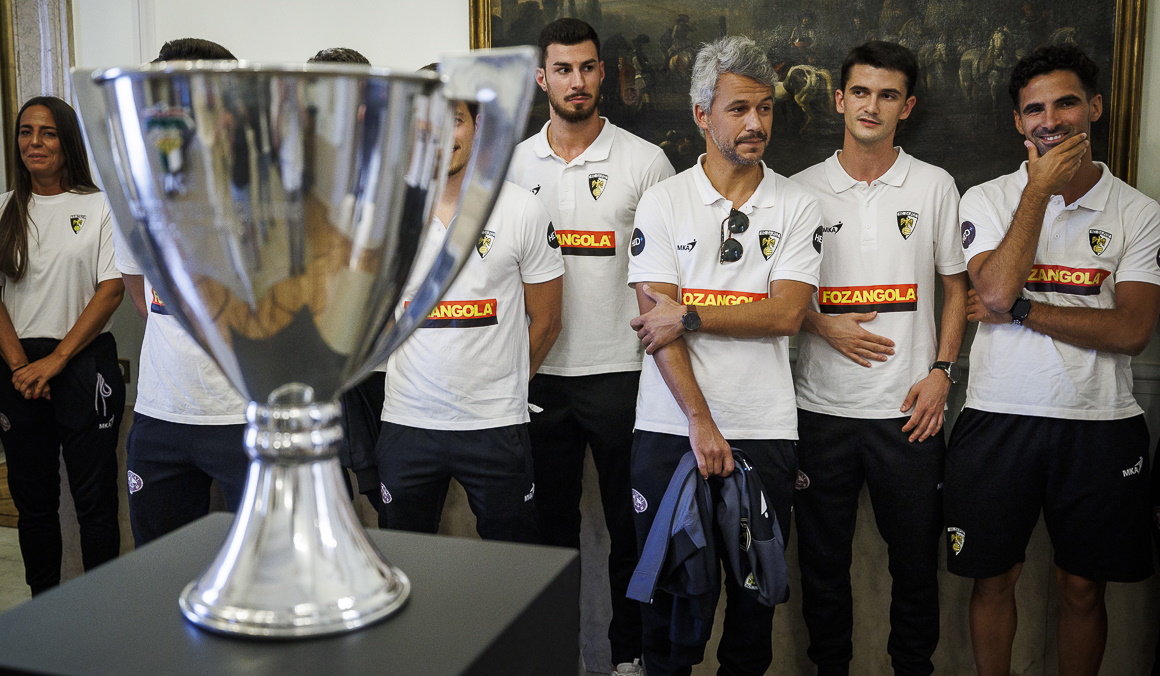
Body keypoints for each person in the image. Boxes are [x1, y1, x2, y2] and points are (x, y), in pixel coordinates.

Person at [946, 44, 1160, 676]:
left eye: (1066, 103)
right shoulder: (986, 198)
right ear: (1019, 121)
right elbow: (991, 290)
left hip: (1100, 422)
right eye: (1035, 109)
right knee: (993, 579)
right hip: (998, 416)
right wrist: (1037, 191)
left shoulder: (1139, 212)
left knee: (1083, 587)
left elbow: (1132, 331)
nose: (1051, 120)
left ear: (1094, 108)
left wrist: (1023, 311)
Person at [626, 36, 822, 675]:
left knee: (752, 615)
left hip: (764, 430)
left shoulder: (798, 204)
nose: (756, 123)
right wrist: (700, 421)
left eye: (764, 108)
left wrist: (689, 314)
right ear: (701, 115)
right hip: (671, 429)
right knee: (668, 614)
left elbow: (786, 314)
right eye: (739, 109)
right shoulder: (663, 201)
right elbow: (655, 329)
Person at [789, 42, 966, 676]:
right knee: (822, 566)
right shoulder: (798, 191)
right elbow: (778, 298)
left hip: (909, 413)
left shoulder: (935, 185)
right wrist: (821, 323)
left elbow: (956, 288)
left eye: (887, 95)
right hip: (821, 412)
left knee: (915, 565)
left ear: (906, 107)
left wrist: (942, 373)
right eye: (861, 92)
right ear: (839, 100)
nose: (872, 106)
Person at [506, 18, 674, 672]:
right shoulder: (512, 165)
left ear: (602, 73)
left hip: (624, 375)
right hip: (540, 376)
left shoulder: (645, 162)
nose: (576, 81)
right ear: (542, 78)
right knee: (549, 535)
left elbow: (668, 277)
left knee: (630, 531)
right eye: (563, 69)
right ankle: (558, 659)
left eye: (587, 68)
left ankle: (629, 659)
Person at [375, 94, 565, 544]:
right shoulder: (386, 214)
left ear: (476, 125)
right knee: (404, 559)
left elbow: (547, 320)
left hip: (496, 423)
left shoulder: (521, 209)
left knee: (512, 562)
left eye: (455, 120)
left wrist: (505, 385)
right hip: (408, 421)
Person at [119, 39, 250, 546]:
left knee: (264, 571)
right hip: (160, 415)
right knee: (158, 567)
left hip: (245, 415)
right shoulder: (136, 189)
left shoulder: (266, 190)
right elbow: (142, 299)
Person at [0, 96, 125, 594]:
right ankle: (43, 610)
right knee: (33, 506)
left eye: (47, 133)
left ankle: (99, 613)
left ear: (67, 140)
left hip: (81, 364)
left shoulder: (100, 207)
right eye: (26, 132)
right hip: (19, 372)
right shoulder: (5, 208)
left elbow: (111, 289)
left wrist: (55, 361)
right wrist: (21, 367)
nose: (34, 142)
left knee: (95, 505)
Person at [304, 46, 387, 513]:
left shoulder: (397, 172)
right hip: (312, 371)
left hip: (382, 372)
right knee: (321, 507)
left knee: (390, 505)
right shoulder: (291, 174)